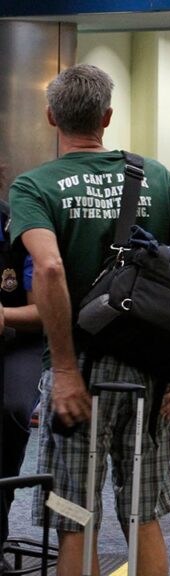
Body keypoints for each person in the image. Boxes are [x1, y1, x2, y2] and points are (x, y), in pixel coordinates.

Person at [9, 63, 170, 576]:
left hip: (82, 373)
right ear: (108, 115)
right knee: (141, 514)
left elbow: (49, 267)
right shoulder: (155, 176)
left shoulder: (34, 187)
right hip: (152, 374)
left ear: (52, 116)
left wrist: (66, 371)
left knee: (72, 515)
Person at [1, 168, 44, 549]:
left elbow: (42, 314)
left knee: (13, 409)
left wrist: (3, 316)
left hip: (18, 339)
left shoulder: (19, 231)